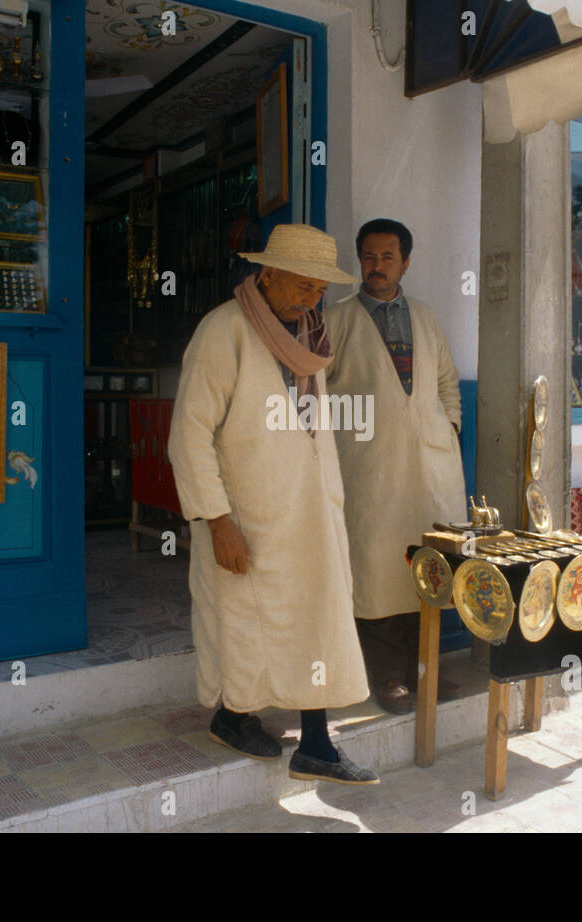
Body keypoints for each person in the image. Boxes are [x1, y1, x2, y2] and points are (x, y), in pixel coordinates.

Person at [167, 223, 379, 785]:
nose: (312, 299)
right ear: (268, 274)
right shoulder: (224, 331)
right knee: (245, 623)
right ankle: (233, 718)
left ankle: (316, 744)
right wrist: (218, 521)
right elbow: (189, 436)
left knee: (319, 617)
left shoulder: (310, 335)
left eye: (319, 290)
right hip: (247, 517)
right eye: (302, 286)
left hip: (309, 512)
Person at [323, 219, 468, 714]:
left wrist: (448, 425)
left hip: (430, 465)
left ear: (406, 262)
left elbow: (447, 381)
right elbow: (315, 390)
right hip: (367, 465)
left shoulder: (426, 318)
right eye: (368, 256)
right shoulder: (337, 319)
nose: (376, 266)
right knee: (377, 564)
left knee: (428, 563)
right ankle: (386, 677)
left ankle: (423, 667)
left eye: (387, 257)